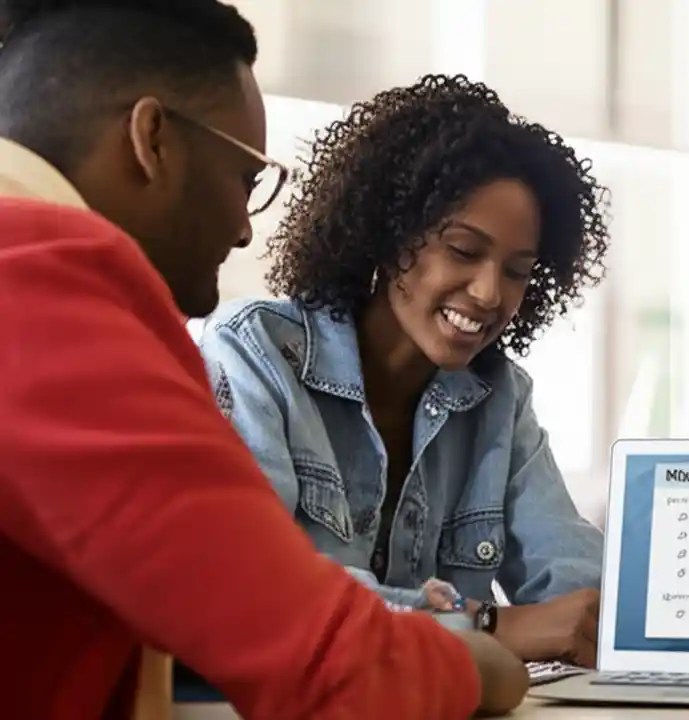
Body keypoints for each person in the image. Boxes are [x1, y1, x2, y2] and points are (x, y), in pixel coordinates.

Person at [0, 1, 527, 718]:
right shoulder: (39, 284)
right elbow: (334, 665)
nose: (244, 230)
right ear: (151, 139)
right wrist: (485, 661)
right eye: (244, 178)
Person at [199, 74, 610, 668]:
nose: (491, 292)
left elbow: (574, 587)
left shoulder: (500, 399)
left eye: (518, 270)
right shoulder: (256, 354)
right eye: (464, 252)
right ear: (389, 234)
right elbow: (256, 587)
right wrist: (483, 626)